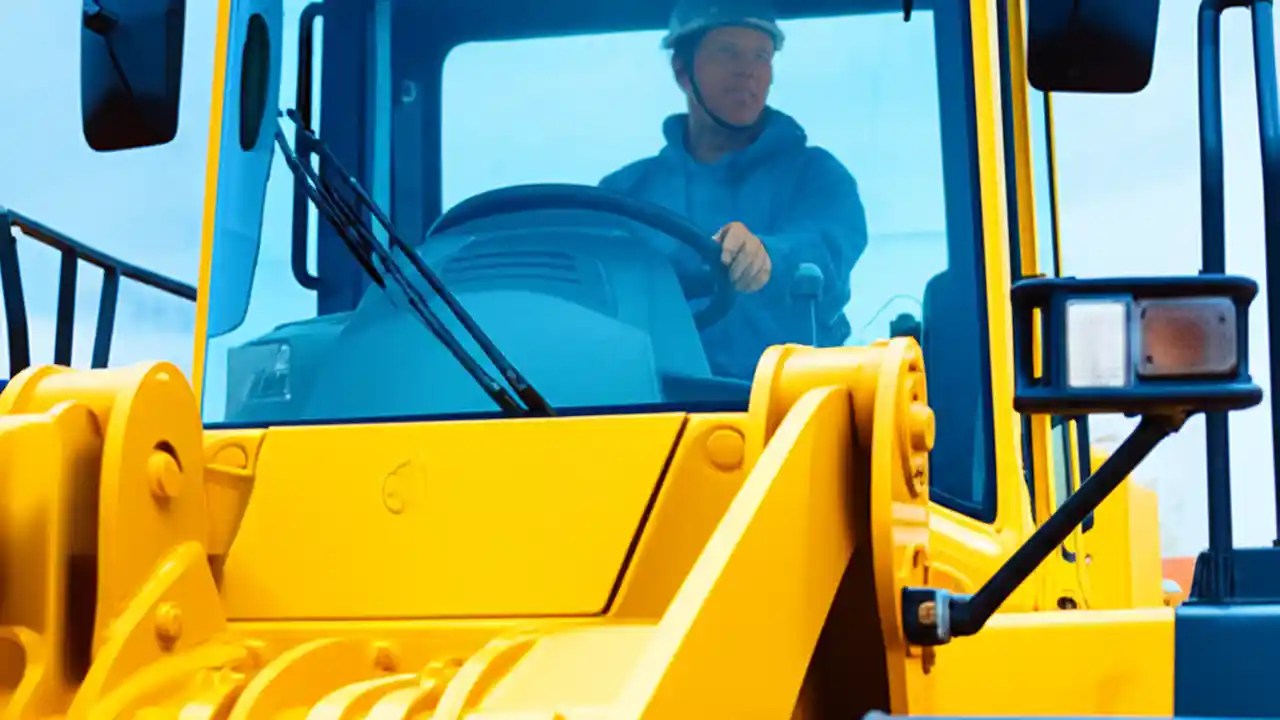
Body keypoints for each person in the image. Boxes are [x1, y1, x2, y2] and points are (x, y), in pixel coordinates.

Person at [600, 0, 868, 381]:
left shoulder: (818, 176)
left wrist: (767, 256)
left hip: (794, 411)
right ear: (682, 71)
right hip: (648, 413)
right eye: (727, 52)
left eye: (761, 55)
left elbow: (826, 254)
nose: (747, 70)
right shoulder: (623, 194)